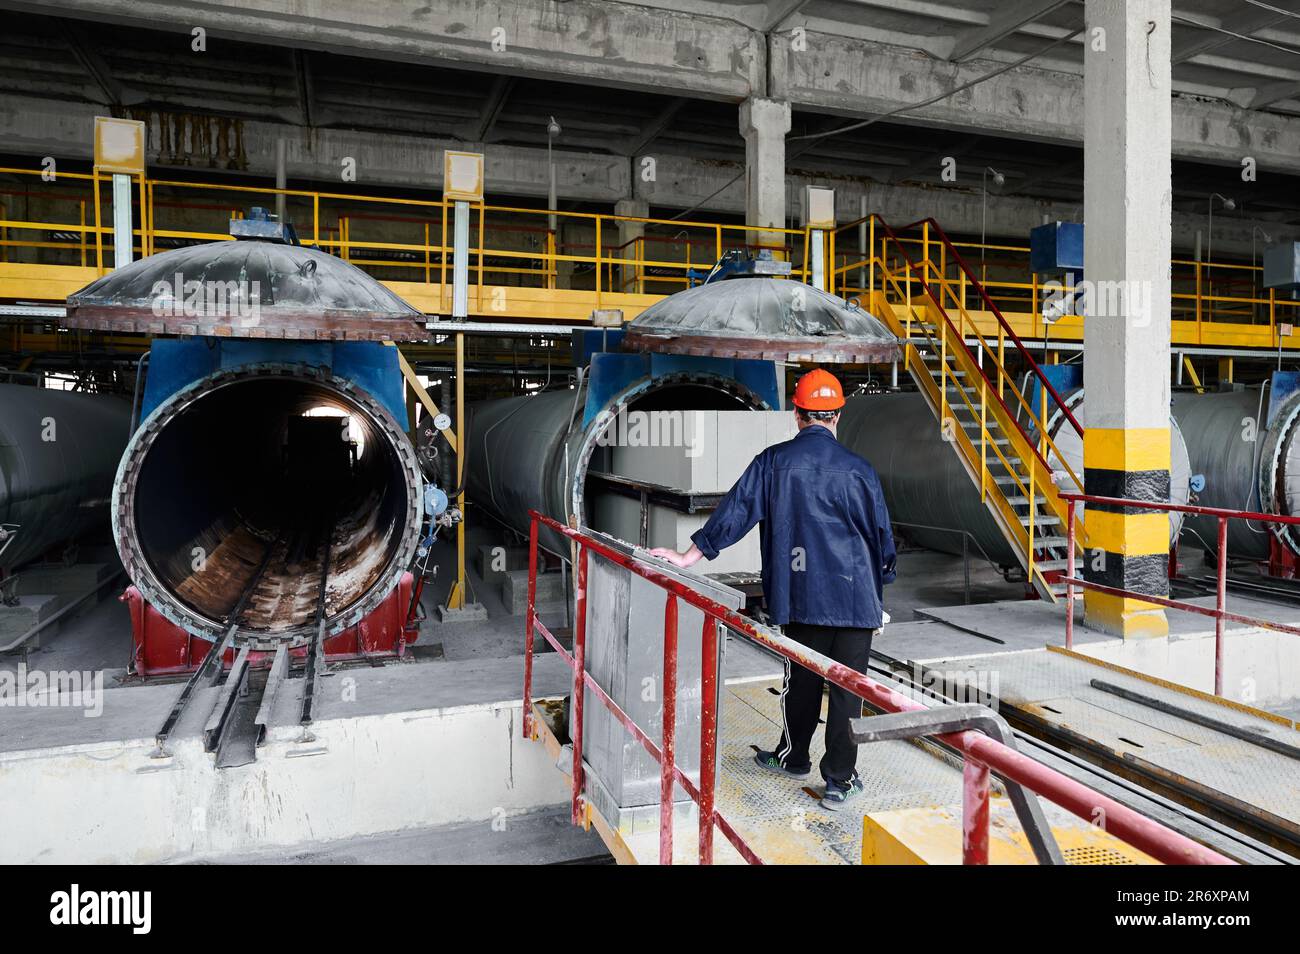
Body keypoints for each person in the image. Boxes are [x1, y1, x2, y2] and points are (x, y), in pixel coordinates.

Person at [650, 368, 895, 810]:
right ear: (837, 415)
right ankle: (840, 780)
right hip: (856, 599)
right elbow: (882, 539)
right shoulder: (861, 471)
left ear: (797, 415)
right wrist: (881, 595)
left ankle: (794, 757)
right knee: (847, 692)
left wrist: (689, 557)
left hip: (802, 597)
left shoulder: (773, 462)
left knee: (800, 680)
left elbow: (736, 511)